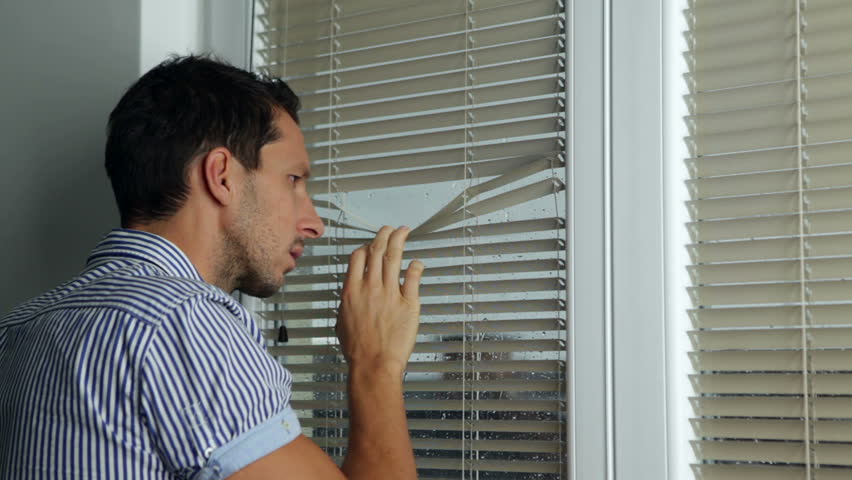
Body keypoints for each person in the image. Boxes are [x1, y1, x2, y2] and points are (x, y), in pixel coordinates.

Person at [0, 55, 425, 480]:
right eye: (293, 180)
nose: (313, 223)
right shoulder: (182, 323)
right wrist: (375, 363)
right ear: (222, 176)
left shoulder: (18, 329)